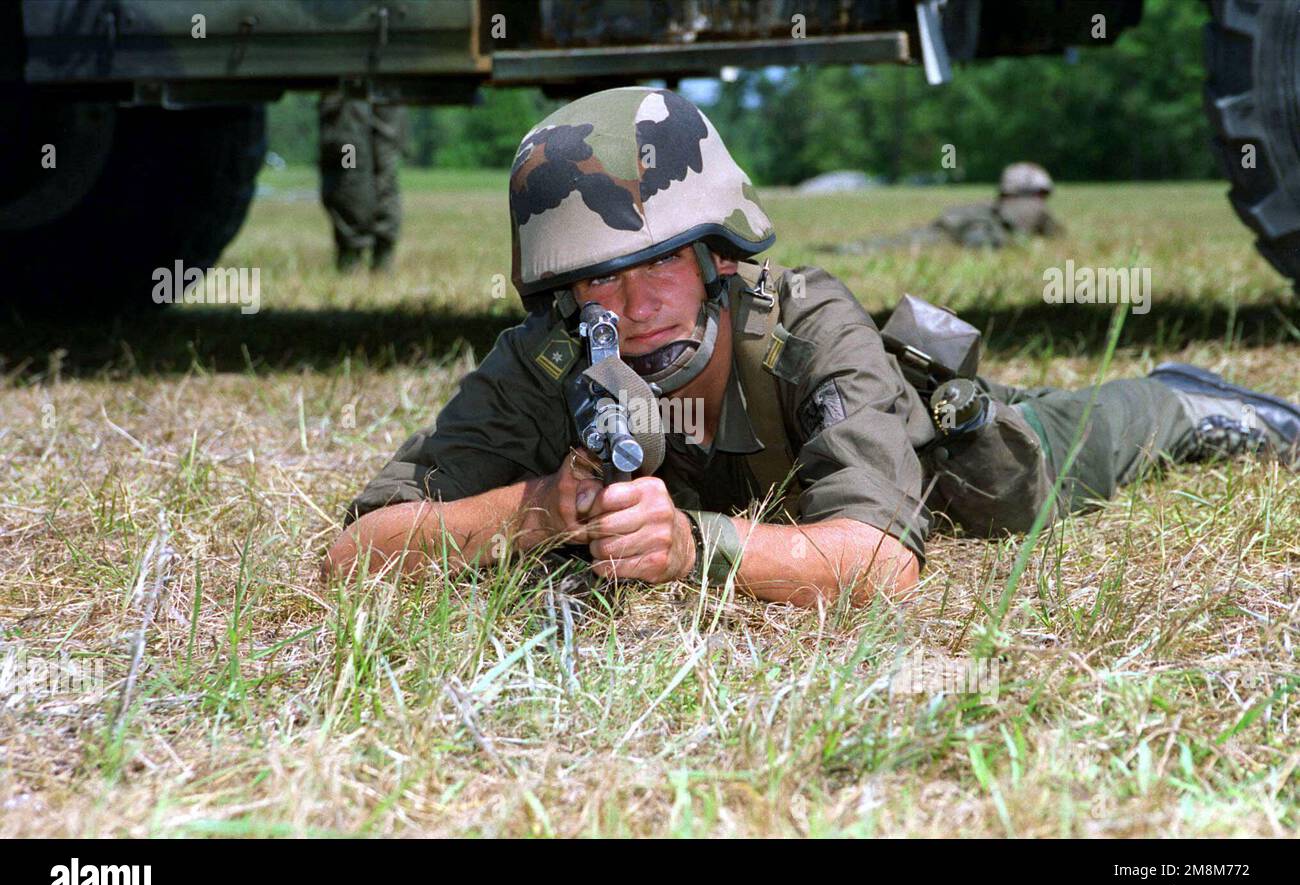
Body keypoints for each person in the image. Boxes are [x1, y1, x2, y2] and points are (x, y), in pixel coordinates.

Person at [323, 88, 1300, 608]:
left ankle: (1176, 396)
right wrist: (540, 510)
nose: (633, 301)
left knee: (1012, 478)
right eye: (597, 280)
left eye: (659, 263)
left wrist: (691, 547)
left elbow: (882, 566)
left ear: (716, 253)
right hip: (788, 460)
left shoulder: (801, 326)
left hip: (922, 432)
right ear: (558, 292)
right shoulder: (544, 362)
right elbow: (353, 553)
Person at [832, 161, 1064, 253]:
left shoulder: (996, 206)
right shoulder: (1031, 208)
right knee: (895, 245)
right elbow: (1057, 235)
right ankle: (850, 249)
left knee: (894, 243)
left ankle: (851, 248)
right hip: (951, 232)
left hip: (946, 228)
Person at [318, 91, 407, 272]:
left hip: (347, 77)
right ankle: (382, 257)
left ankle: (352, 257)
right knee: (382, 165)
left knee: (349, 166)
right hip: (390, 79)